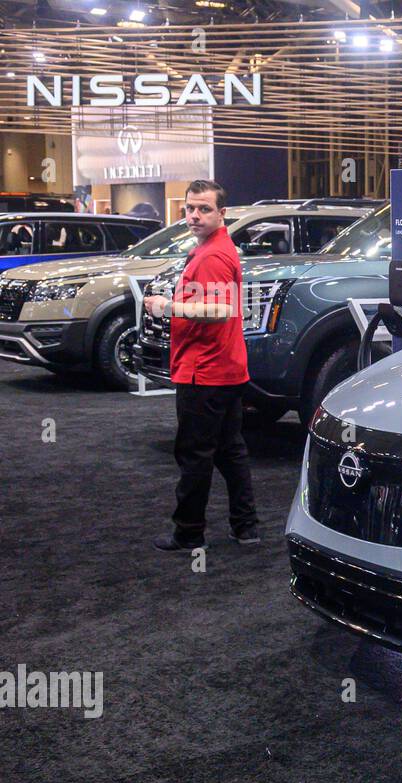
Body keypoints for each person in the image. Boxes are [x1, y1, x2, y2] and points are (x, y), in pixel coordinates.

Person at [144, 179, 259, 552]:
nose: (194, 215)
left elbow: (221, 310)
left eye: (204, 209)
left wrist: (167, 307)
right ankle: (245, 527)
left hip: (206, 371)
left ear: (221, 213)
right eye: (190, 208)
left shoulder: (212, 255)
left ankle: (189, 532)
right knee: (229, 450)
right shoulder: (216, 249)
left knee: (196, 454)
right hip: (224, 368)